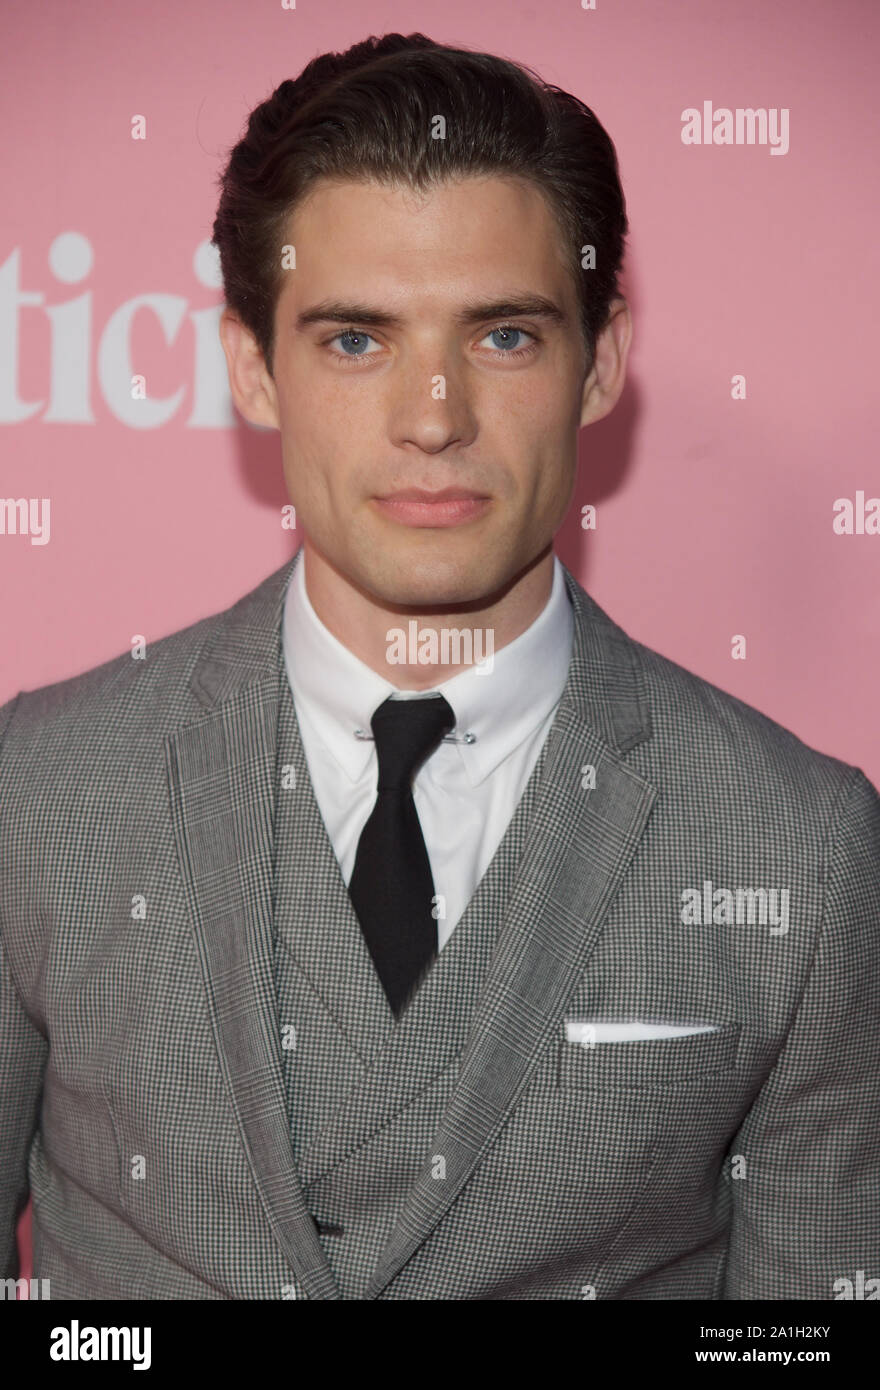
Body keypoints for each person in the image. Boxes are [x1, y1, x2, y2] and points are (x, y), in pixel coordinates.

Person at [1, 31, 878, 1302]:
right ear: (254, 368)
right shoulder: (38, 791)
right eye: (355, 340)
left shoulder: (801, 848)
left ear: (602, 362)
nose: (432, 414)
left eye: (504, 337)